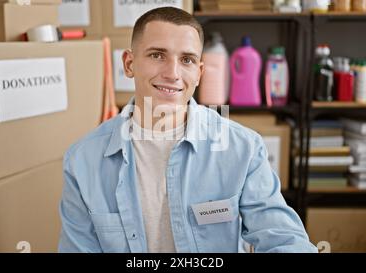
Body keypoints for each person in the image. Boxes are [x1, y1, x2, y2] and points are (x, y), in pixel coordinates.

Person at [58, 7, 318, 253]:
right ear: (129, 64)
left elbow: (283, 237)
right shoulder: (83, 160)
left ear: (199, 73)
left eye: (187, 60)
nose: (173, 73)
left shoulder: (243, 148)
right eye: (157, 55)